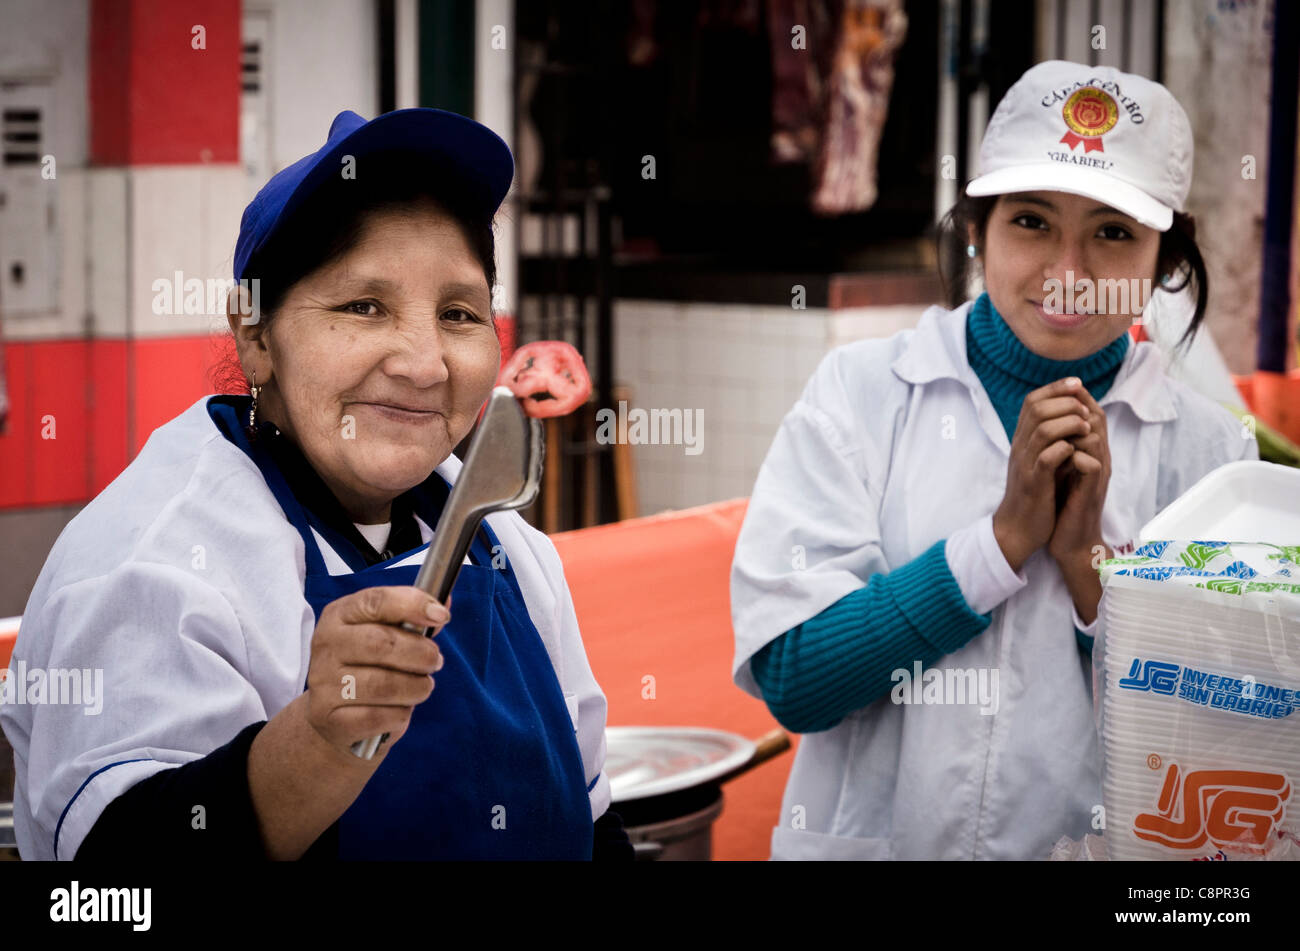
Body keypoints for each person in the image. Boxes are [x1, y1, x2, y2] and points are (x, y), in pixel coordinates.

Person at [1, 108, 632, 860]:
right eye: (364, 306)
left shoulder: (510, 551)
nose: (425, 362)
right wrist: (319, 739)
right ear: (256, 336)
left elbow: (596, 826)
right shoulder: (151, 564)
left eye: (459, 313)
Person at [730, 60, 1259, 860]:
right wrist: (999, 542)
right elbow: (797, 679)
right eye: (1032, 221)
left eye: (1113, 232)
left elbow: (1225, 738)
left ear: (1165, 261)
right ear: (977, 228)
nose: (1069, 274)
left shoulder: (1214, 457)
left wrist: (1092, 569)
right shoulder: (862, 394)